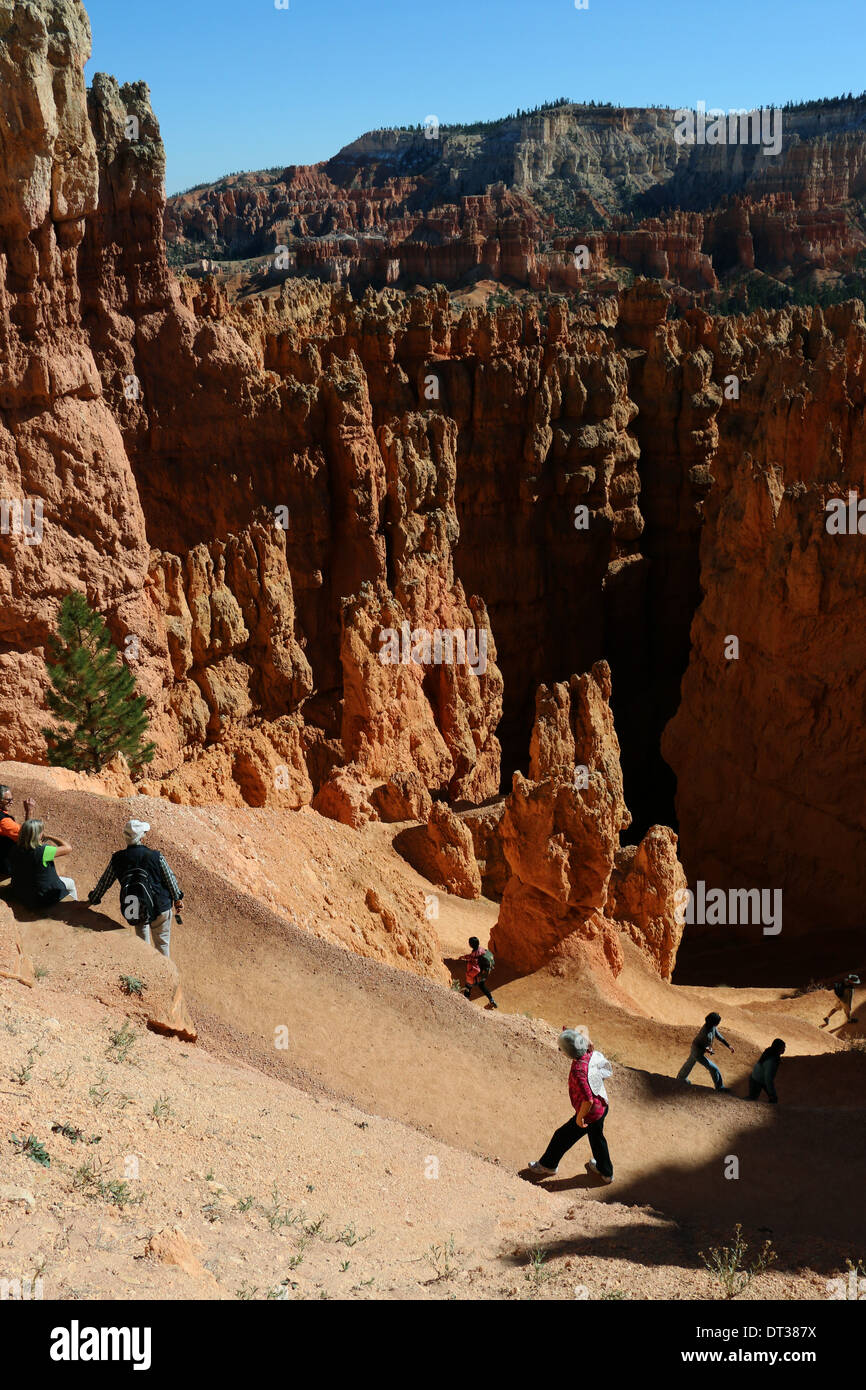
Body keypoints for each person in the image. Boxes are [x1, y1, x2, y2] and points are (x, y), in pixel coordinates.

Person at [528, 1030, 614, 1184]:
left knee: (561, 1136)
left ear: (569, 1053)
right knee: (597, 1140)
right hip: (602, 1105)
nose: (560, 1051)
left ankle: (548, 1165)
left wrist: (580, 1118)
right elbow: (589, 1042)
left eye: (561, 1049)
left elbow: (588, 1100)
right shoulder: (589, 1052)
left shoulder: (578, 1071)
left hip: (590, 1113)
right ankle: (605, 1172)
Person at [88, 819, 183, 959]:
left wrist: (94, 898)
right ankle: (163, 977)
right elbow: (170, 879)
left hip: (136, 907)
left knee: (143, 948)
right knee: (162, 945)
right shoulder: (156, 856)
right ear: (142, 836)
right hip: (160, 907)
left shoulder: (118, 859)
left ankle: (144, 973)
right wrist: (177, 899)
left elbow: (105, 882)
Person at [9, 819, 77, 909]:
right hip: (41, 898)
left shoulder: (15, 848)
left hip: (19, 891)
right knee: (70, 883)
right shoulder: (44, 851)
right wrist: (50, 836)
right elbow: (68, 848)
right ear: (37, 835)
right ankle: (75, 908)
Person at [677, 1011, 734, 1091]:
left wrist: (728, 1045)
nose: (718, 1024)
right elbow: (699, 1044)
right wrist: (706, 1049)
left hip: (697, 1049)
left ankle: (680, 1079)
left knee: (689, 1064)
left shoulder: (712, 1027)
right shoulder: (705, 1032)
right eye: (718, 1022)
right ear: (714, 1023)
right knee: (714, 1069)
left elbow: (718, 1036)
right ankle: (720, 1087)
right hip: (697, 1052)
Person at [0, 785, 37, 877]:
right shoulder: (4, 821)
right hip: (6, 867)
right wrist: (29, 811)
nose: (11, 802)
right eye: (8, 800)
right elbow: (27, 836)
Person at [459, 936, 497, 1008]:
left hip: (478, 974)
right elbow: (472, 956)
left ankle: (464, 1004)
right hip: (485, 972)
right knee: (482, 986)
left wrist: (469, 974)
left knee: (468, 986)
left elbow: (477, 969)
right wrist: (465, 957)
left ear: (471, 945)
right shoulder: (481, 950)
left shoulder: (475, 954)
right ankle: (491, 1000)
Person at [746, 1038, 785, 1103]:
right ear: (778, 1048)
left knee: (753, 1097)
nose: (784, 1049)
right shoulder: (772, 1061)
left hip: (757, 1078)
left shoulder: (770, 1052)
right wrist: (772, 1093)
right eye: (783, 1048)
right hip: (757, 1079)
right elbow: (768, 1078)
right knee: (752, 1098)